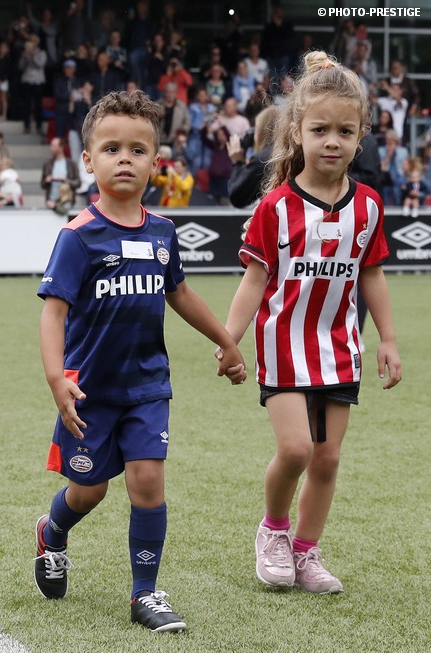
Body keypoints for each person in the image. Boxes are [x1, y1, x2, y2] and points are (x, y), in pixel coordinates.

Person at [33, 89, 246, 633]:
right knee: (89, 491)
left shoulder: (162, 232)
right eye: (111, 149)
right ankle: (52, 532)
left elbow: (179, 294)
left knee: (147, 481)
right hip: (88, 393)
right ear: (88, 160)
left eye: (137, 149)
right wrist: (57, 379)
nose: (124, 159)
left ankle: (143, 594)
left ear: (156, 160)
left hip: (148, 387)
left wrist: (226, 339)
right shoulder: (78, 237)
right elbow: (53, 313)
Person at [223, 51, 402, 597]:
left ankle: (306, 551)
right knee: (297, 449)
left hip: (340, 348)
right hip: (281, 346)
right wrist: (228, 340)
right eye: (320, 129)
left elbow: (371, 276)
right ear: (296, 131)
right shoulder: (274, 207)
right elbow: (254, 281)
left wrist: (389, 339)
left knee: (326, 459)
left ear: (361, 135)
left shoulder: (368, 206)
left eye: (345, 131)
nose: (332, 141)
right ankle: (273, 532)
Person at [41, 137, 79, 211]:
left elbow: (78, 183)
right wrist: (47, 180)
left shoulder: (71, 164)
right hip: (51, 202)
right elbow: (42, 184)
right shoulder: (47, 164)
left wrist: (65, 180)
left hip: (66, 202)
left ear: (61, 147)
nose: (51, 148)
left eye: (54, 146)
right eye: (51, 145)